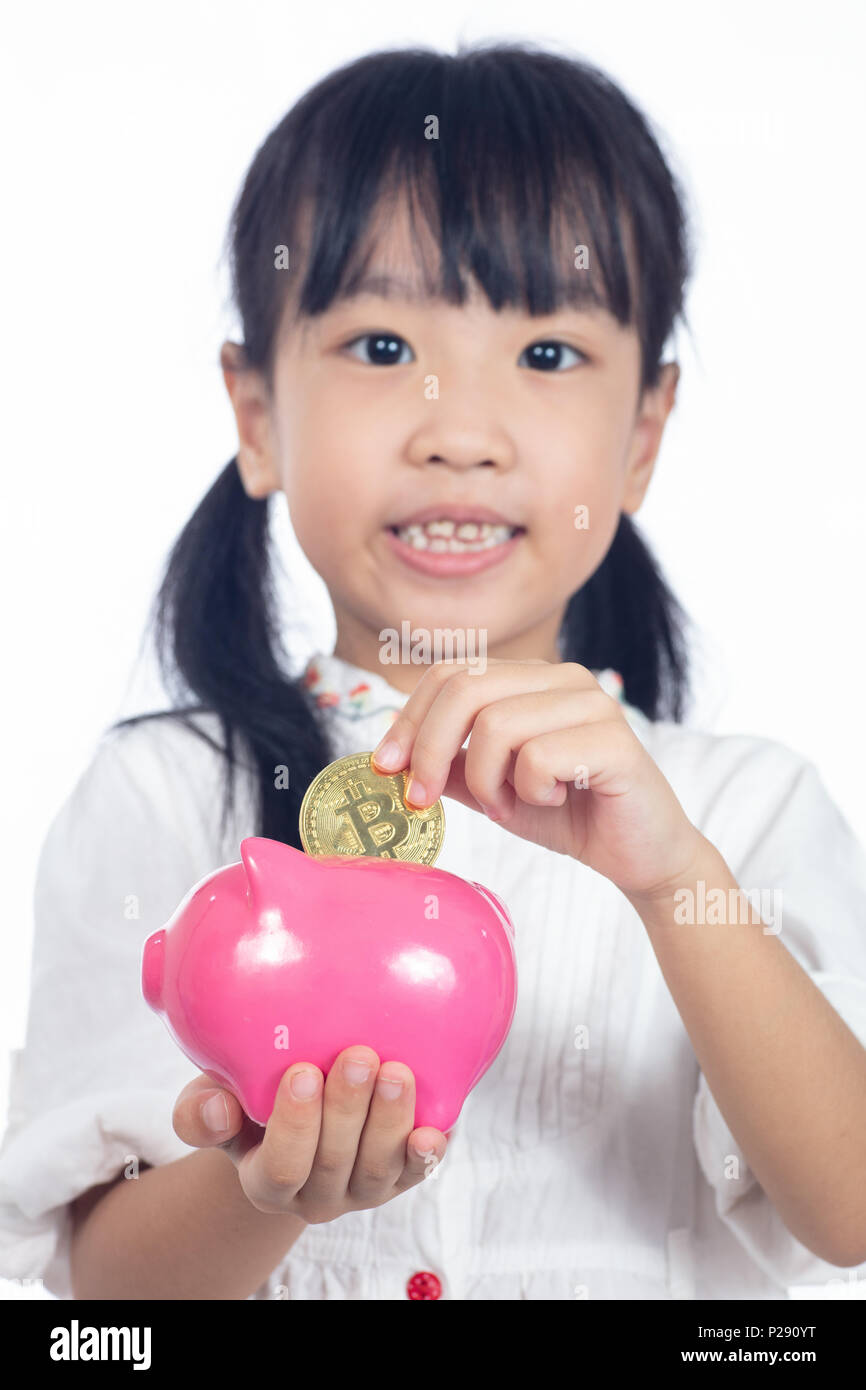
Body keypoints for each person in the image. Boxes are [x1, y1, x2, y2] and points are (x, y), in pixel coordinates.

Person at [2, 40, 866, 1302]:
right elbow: (105, 1299)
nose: (458, 432)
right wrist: (262, 1191)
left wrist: (673, 876)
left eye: (547, 356)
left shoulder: (740, 813)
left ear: (643, 437)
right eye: (377, 345)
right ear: (256, 416)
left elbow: (844, 1210)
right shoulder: (160, 796)